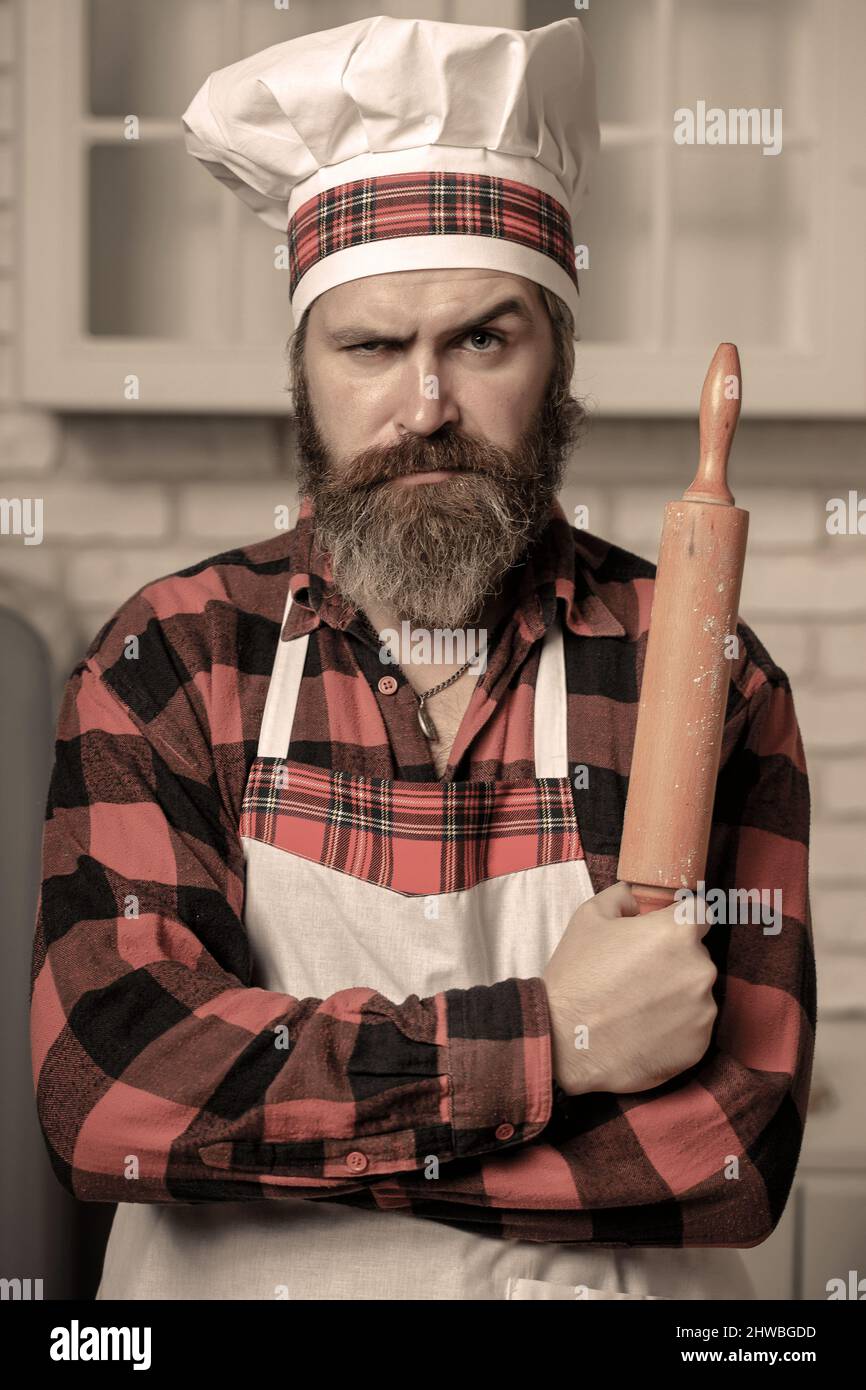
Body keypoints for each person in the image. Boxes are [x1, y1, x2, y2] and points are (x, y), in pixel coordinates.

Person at [29, 14, 815, 1301]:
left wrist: (264, 1129)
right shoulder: (169, 659)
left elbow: (721, 1157)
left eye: (481, 340)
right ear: (305, 378)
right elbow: (110, 1093)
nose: (426, 405)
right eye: (372, 347)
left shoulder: (700, 672)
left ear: (557, 359)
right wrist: (551, 1045)